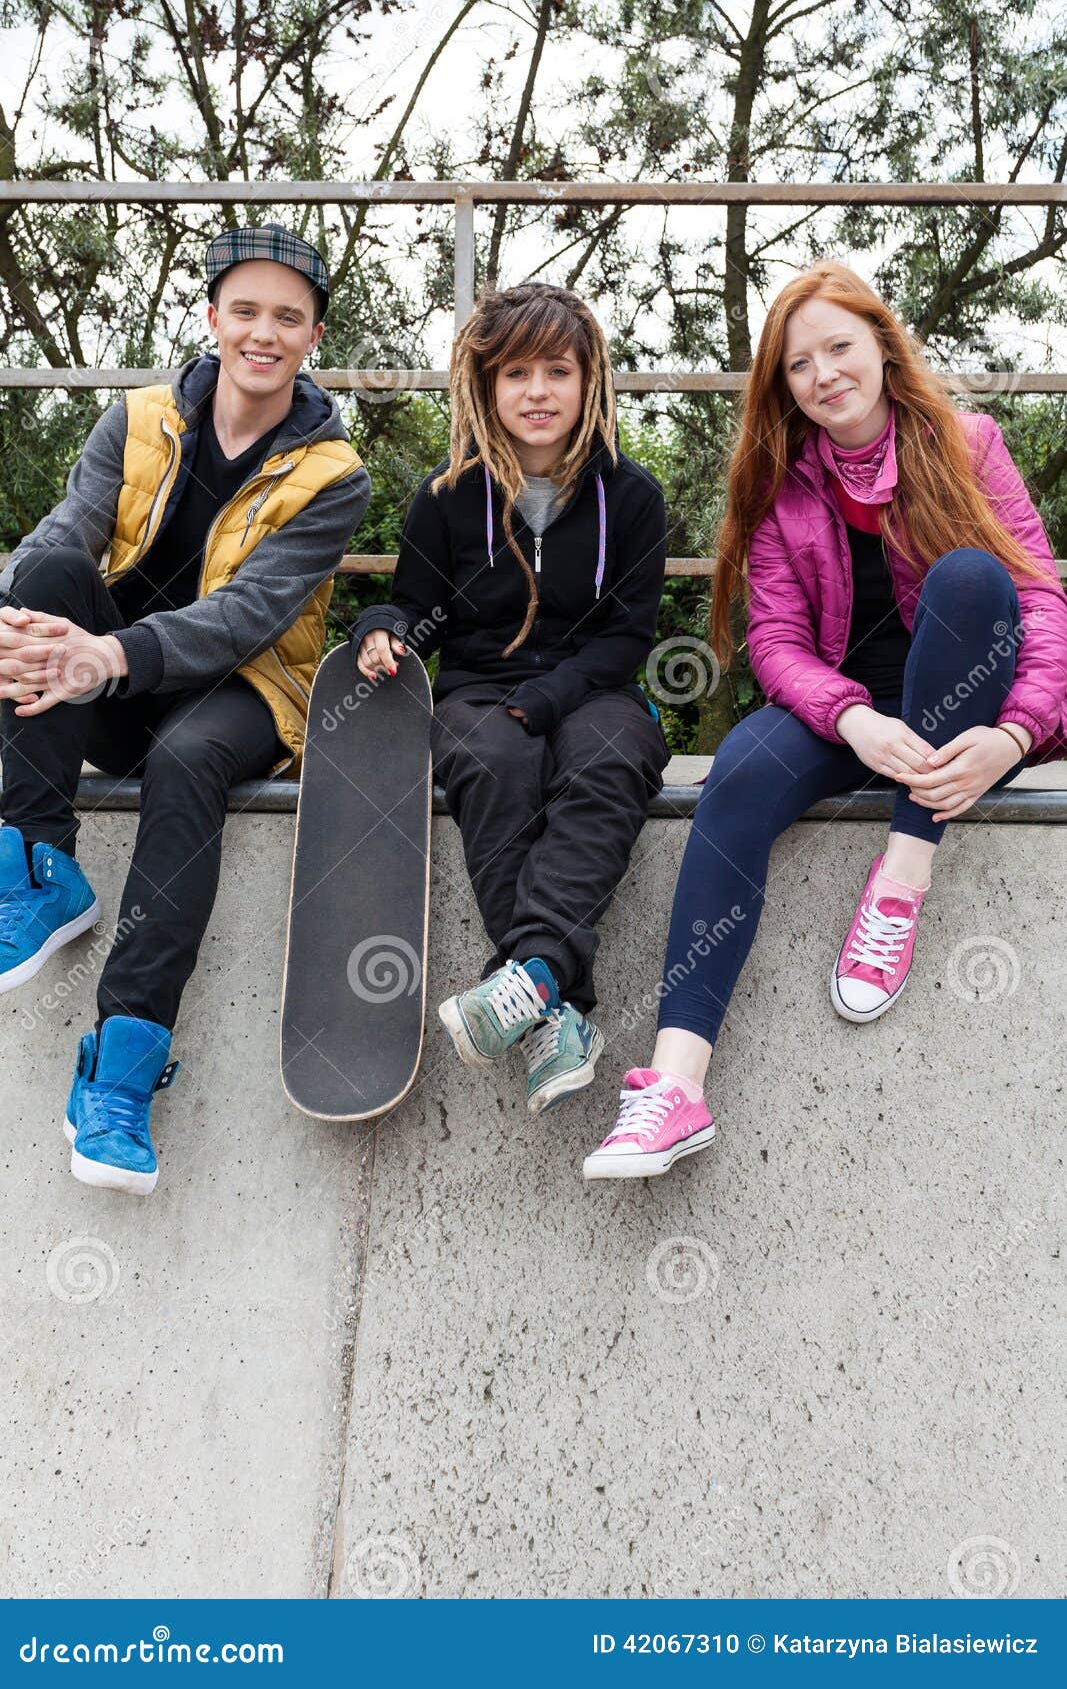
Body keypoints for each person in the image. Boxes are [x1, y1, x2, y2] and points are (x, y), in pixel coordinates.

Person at [584, 260, 1067, 1180]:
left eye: (838, 347)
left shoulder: (969, 444)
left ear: (882, 347)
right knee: (738, 765)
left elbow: (1038, 599)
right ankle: (675, 1087)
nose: (822, 375)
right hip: (846, 720)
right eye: (798, 364)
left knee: (972, 577)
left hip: (963, 716)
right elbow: (773, 640)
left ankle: (901, 875)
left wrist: (1012, 734)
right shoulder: (781, 482)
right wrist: (850, 720)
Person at [0, 224, 371, 1195]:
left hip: (242, 693)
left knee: (185, 761)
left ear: (312, 337)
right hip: (113, 673)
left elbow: (249, 616)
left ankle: (119, 1079)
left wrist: (104, 656)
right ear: (212, 318)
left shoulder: (334, 475)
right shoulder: (137, 419)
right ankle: (38, 867)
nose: (263, 332)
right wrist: (19, 626)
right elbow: (58, 544)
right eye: (244, 310)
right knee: (37, 579)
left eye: (286, 317)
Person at [352, 280, 669, 1117]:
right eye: (517, 373)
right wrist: (381, 629)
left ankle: (525, 982)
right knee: (491, 761)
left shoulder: (631, 499)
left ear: (588, 380)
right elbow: (415, 603)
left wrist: (550, 697)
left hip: (595, 686)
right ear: (486, 387)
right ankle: (550, 1001)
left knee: (608, 757)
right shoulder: (445, 494)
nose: (537, 392)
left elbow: (627, 636)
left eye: (557, 371)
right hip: (478, 694)